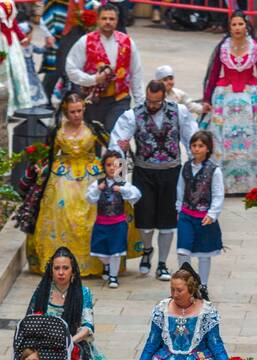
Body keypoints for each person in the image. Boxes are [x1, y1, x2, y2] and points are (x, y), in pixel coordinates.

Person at [111, 78, 198, 280]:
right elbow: (117, 145)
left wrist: (195, 170)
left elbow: (191, 139)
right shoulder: (133, 115)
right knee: (145, 221)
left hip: (171, 172)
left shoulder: (179, 112)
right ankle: (147, 249)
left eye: (156, 102)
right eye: (149, 101)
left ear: (164, 98)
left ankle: (162, 263)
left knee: (168, 222)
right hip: (144, 172)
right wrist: (119, 180)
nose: (151, 105)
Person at [199, 12, 257, 195]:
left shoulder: (255, 47)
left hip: (251, 94)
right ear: (229, 27)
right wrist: (207, 99)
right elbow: (213, 74)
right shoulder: (222, 48)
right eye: (235, 24)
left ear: (246, 26)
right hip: (226, 95)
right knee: (220, 137)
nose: (238, 28)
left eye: (241, 24)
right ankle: (222, 182)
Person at [26, 93, 110, 276]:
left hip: (90, 173)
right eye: (72, 112)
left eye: (79, 110)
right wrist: (40, 168)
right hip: (63, 174)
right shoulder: (57, 131)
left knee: (94, 212)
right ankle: (59, 263)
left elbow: (111, 147)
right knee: (60, 210)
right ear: (65, 112)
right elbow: (48, 152)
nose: (76, 115)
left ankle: (98, 263)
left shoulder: (94, 128)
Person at [65, 2, 144, 131]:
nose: (108, 22)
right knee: (92, 141)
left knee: (115, 137)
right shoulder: (85, 41)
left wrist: (141, 104)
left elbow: (136, 74)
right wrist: (92, 79)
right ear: (97, 20)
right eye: (104, 18)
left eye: (111, 19)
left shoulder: (128, 42)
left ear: (117, 21)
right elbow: (71, 69)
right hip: (91, 100)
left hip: (119, 100)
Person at [174, 131, 226, 289]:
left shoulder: (214, 170)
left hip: (204, 218)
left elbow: (218, 194)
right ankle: (186, 281)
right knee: (182, 250)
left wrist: (212, 214)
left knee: (204, 254)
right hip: (186, 214)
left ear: (208, 148)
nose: (196, 149)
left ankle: (203, 285)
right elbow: (180, 188)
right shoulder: (186, 167)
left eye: (200, 146)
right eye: (194, 145)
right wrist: (179, 208)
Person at [86, 149, 142, 288]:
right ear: (104, 166)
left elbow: (136, 195)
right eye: (109, 165)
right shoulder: (98, 183)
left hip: (118, 224)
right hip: (101, 223)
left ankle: (113, 276)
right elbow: (89, 198)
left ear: (120, 167)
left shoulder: (123, 184)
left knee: (116, 252)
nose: (112, 168)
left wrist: (122, 190)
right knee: (99, 251)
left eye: (115, 165)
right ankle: (106, 265)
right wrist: (98, 189)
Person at [0, 0, 50, 117]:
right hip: (1, 41)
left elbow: (13, 23)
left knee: (17, 72)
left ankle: (17, 107)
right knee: (5, 73)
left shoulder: (8, 2)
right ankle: (6, 109)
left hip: (12, 43)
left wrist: (22, 37)